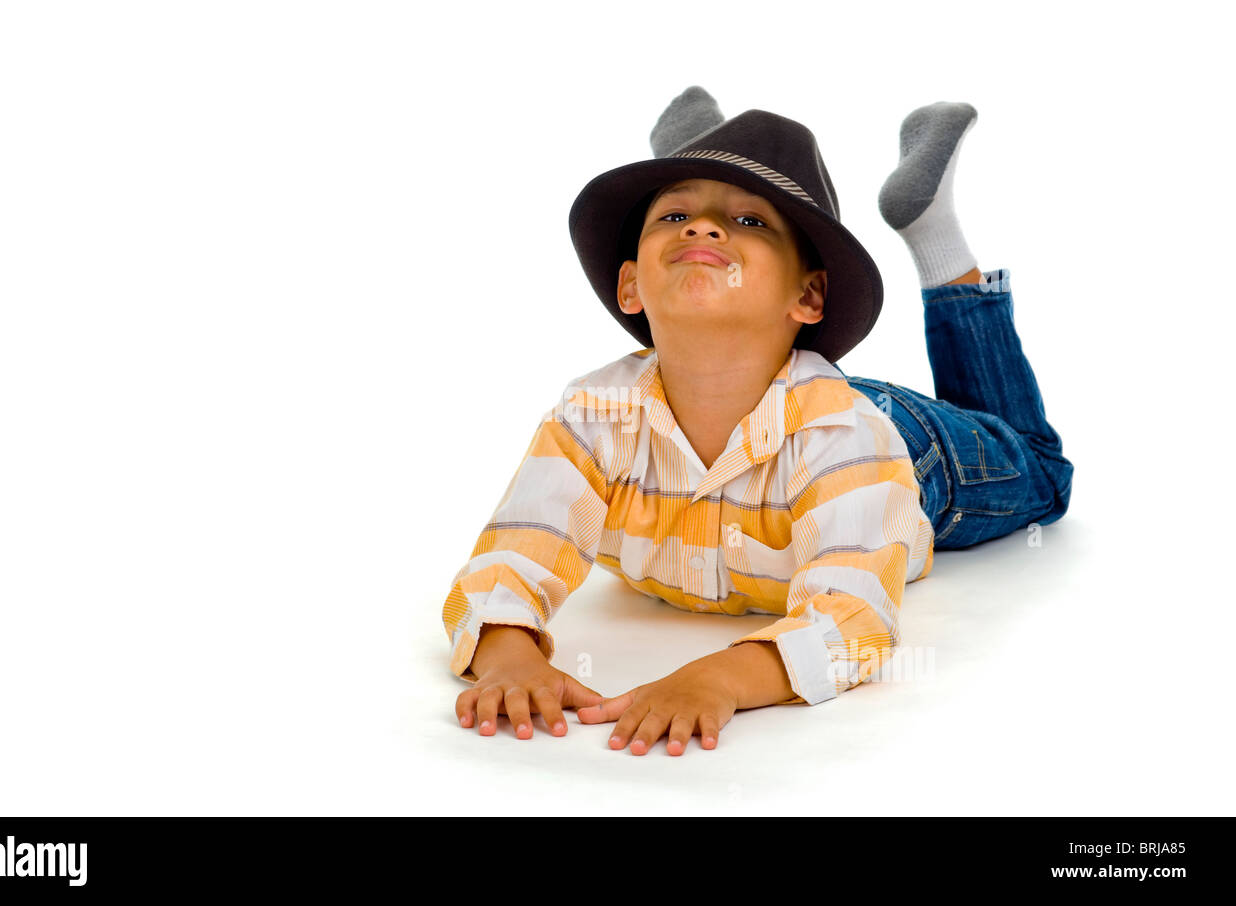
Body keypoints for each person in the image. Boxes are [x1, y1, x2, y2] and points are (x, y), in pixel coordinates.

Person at [442, 86, 1074, 756]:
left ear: (808, 296)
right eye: (676, 213)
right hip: (784, 393)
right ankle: (722, 157)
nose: (702, 229)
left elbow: (852, 614)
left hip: (905, 446)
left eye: (748, 222)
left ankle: (936, 239)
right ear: (630, 286)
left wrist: (721, 678)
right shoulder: (593, 417)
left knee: (1040, 472)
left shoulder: (847, 439)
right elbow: (511, 554)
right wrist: (508, 656)